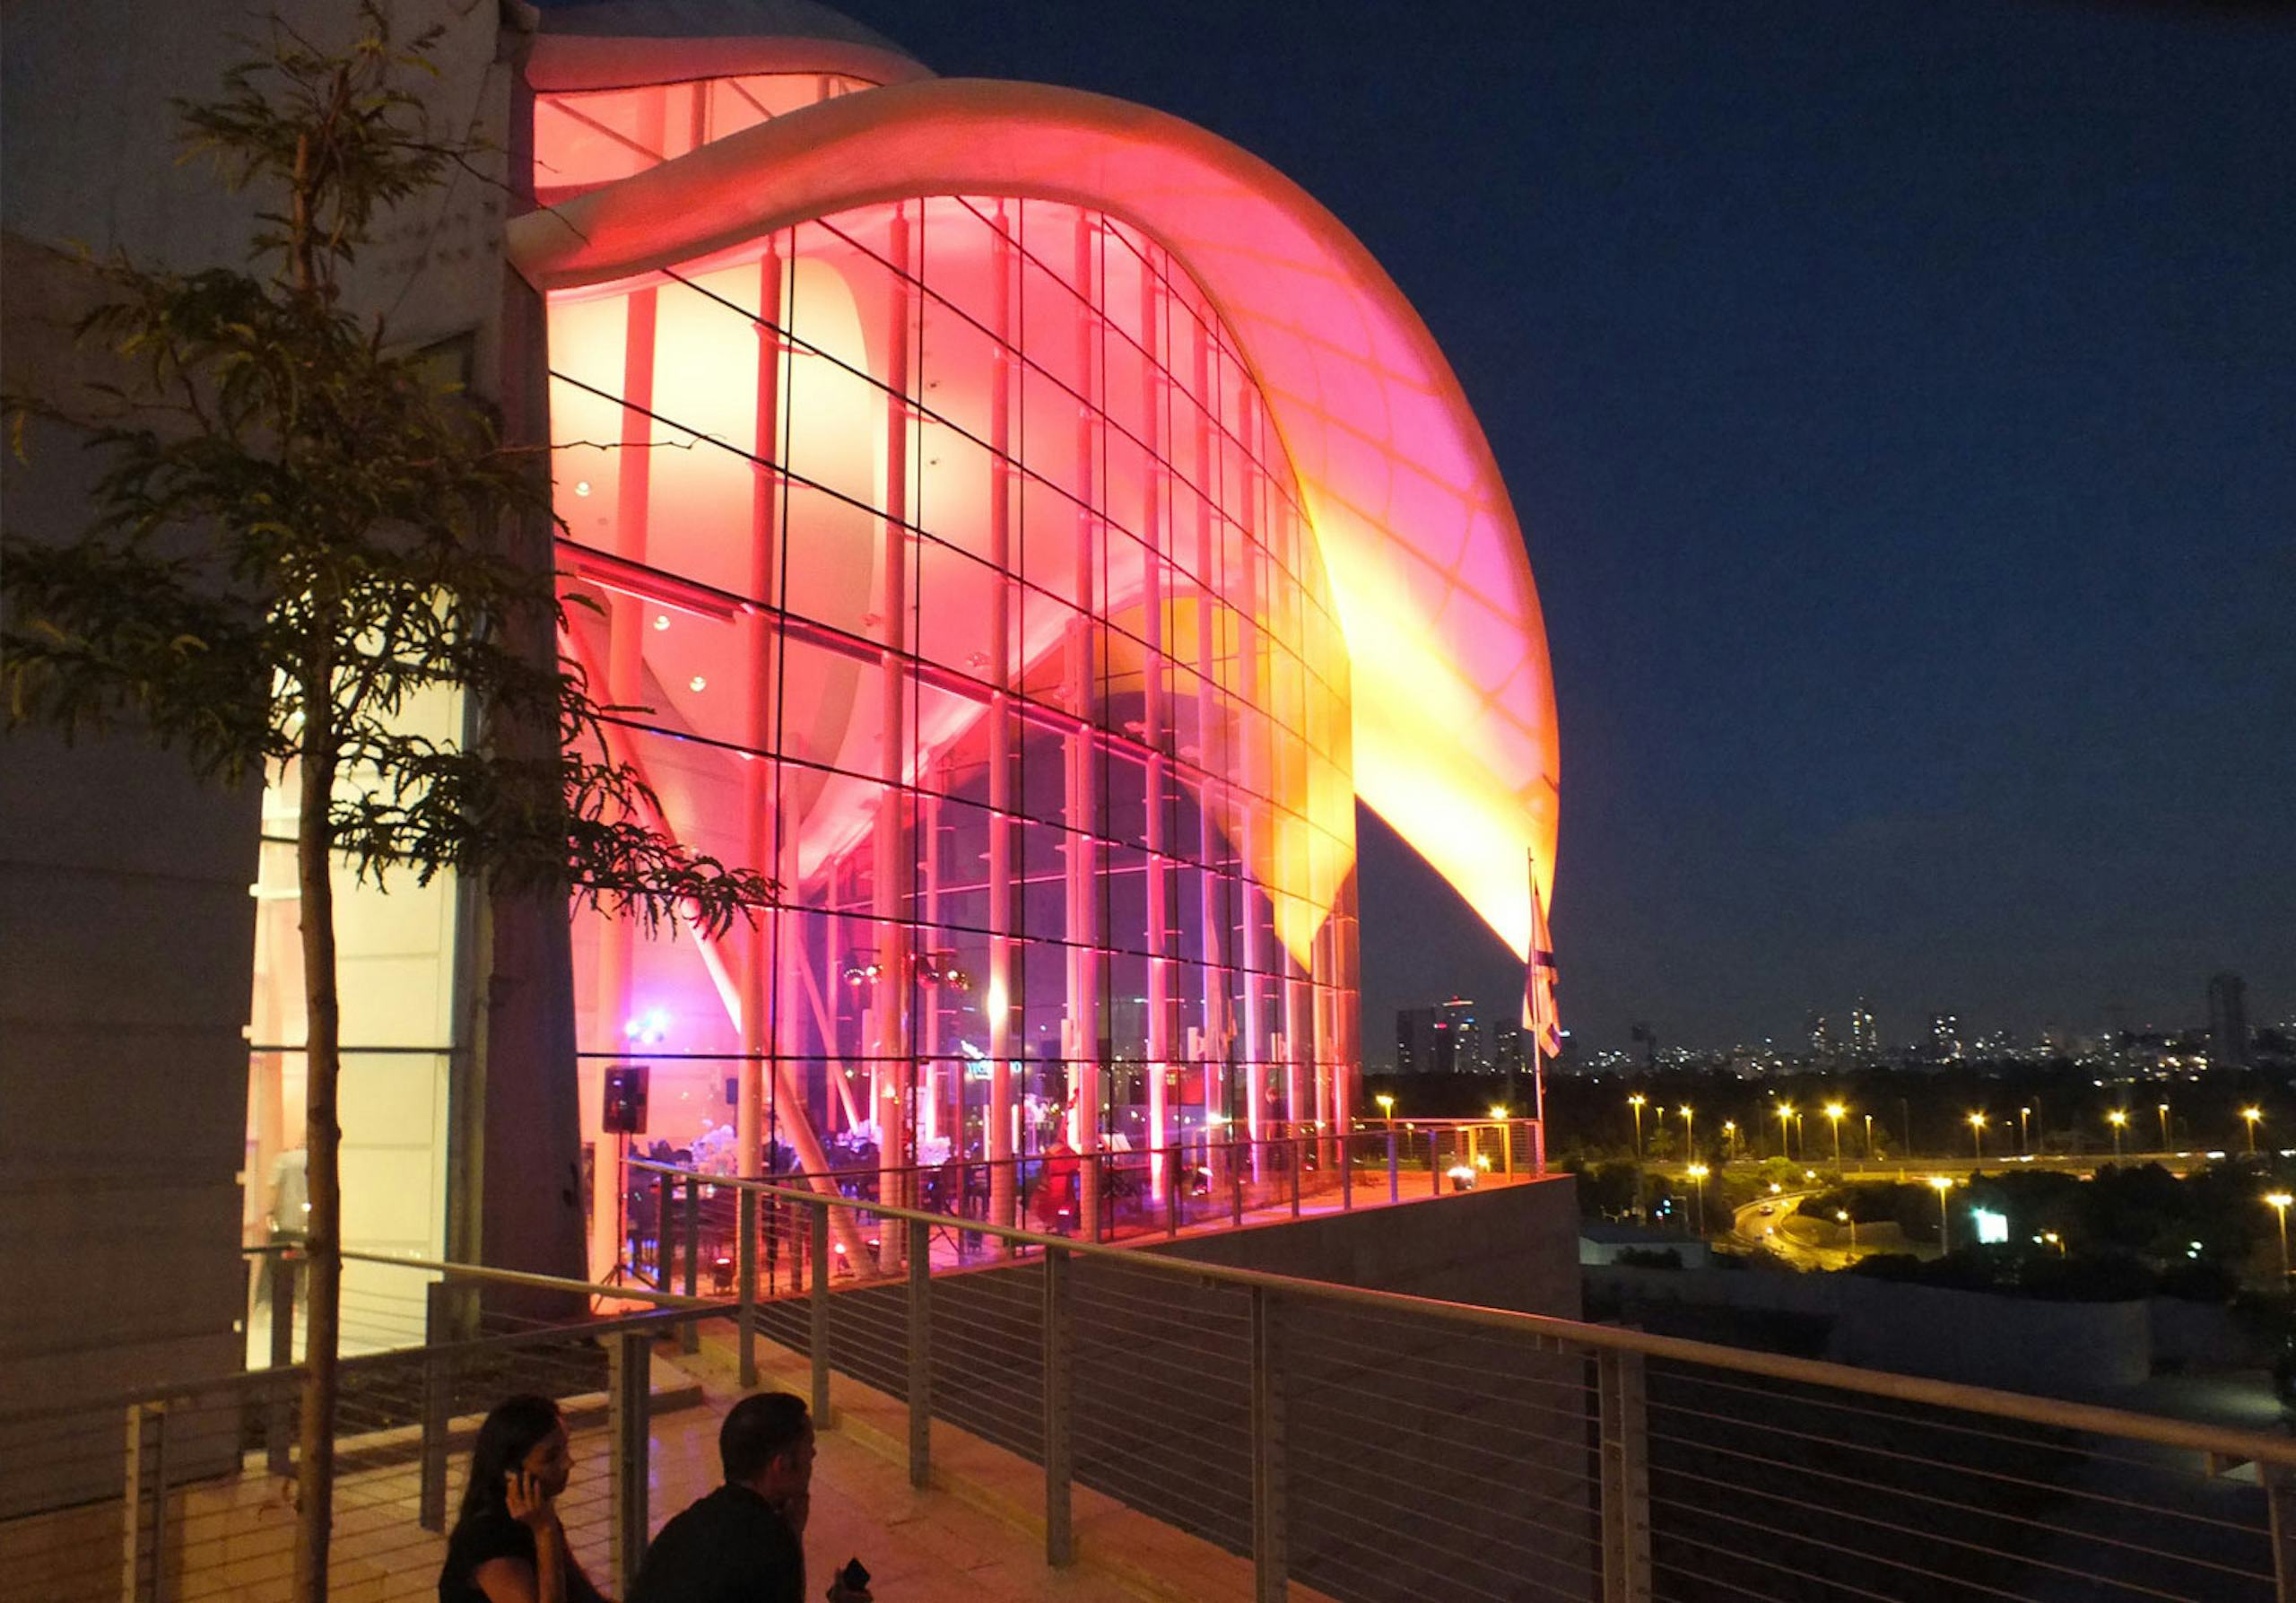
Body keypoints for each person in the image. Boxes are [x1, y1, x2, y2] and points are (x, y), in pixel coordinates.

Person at [631, 1392, 868, 1603]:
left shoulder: (685, 1525)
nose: (814, 1454)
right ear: (781, 1465)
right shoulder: (770, 1545)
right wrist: (792, 1539)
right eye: (809, 1447)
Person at [439, 1394, 609, 1603]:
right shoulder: (488, 1541)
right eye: (551, 1457)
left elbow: (582, 1595)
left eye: (565, 1448)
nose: (568, 1463)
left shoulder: (536, 1516)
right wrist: (545, 1533)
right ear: (511, 1472)